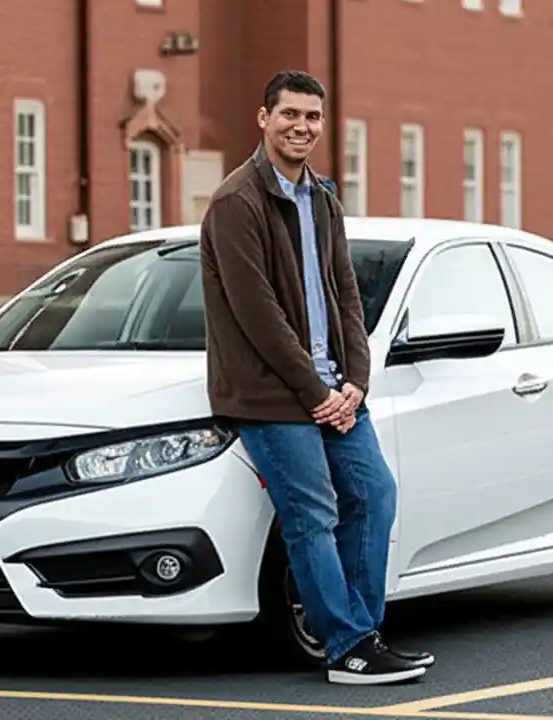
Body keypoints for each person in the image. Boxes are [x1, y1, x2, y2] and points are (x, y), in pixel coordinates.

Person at [198, 69, 435, 685]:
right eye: (289, 115)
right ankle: (347, 645)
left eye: (312, 116)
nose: (301, 126)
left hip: (334, 391)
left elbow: (347, 296)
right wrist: (317, 393)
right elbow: (260, 318)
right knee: (312, 513)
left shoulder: (323, 198)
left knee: (375, 494)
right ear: (263, 118)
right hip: (270, 396)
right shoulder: (235, 203)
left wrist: (355, 380)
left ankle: (362, 632)